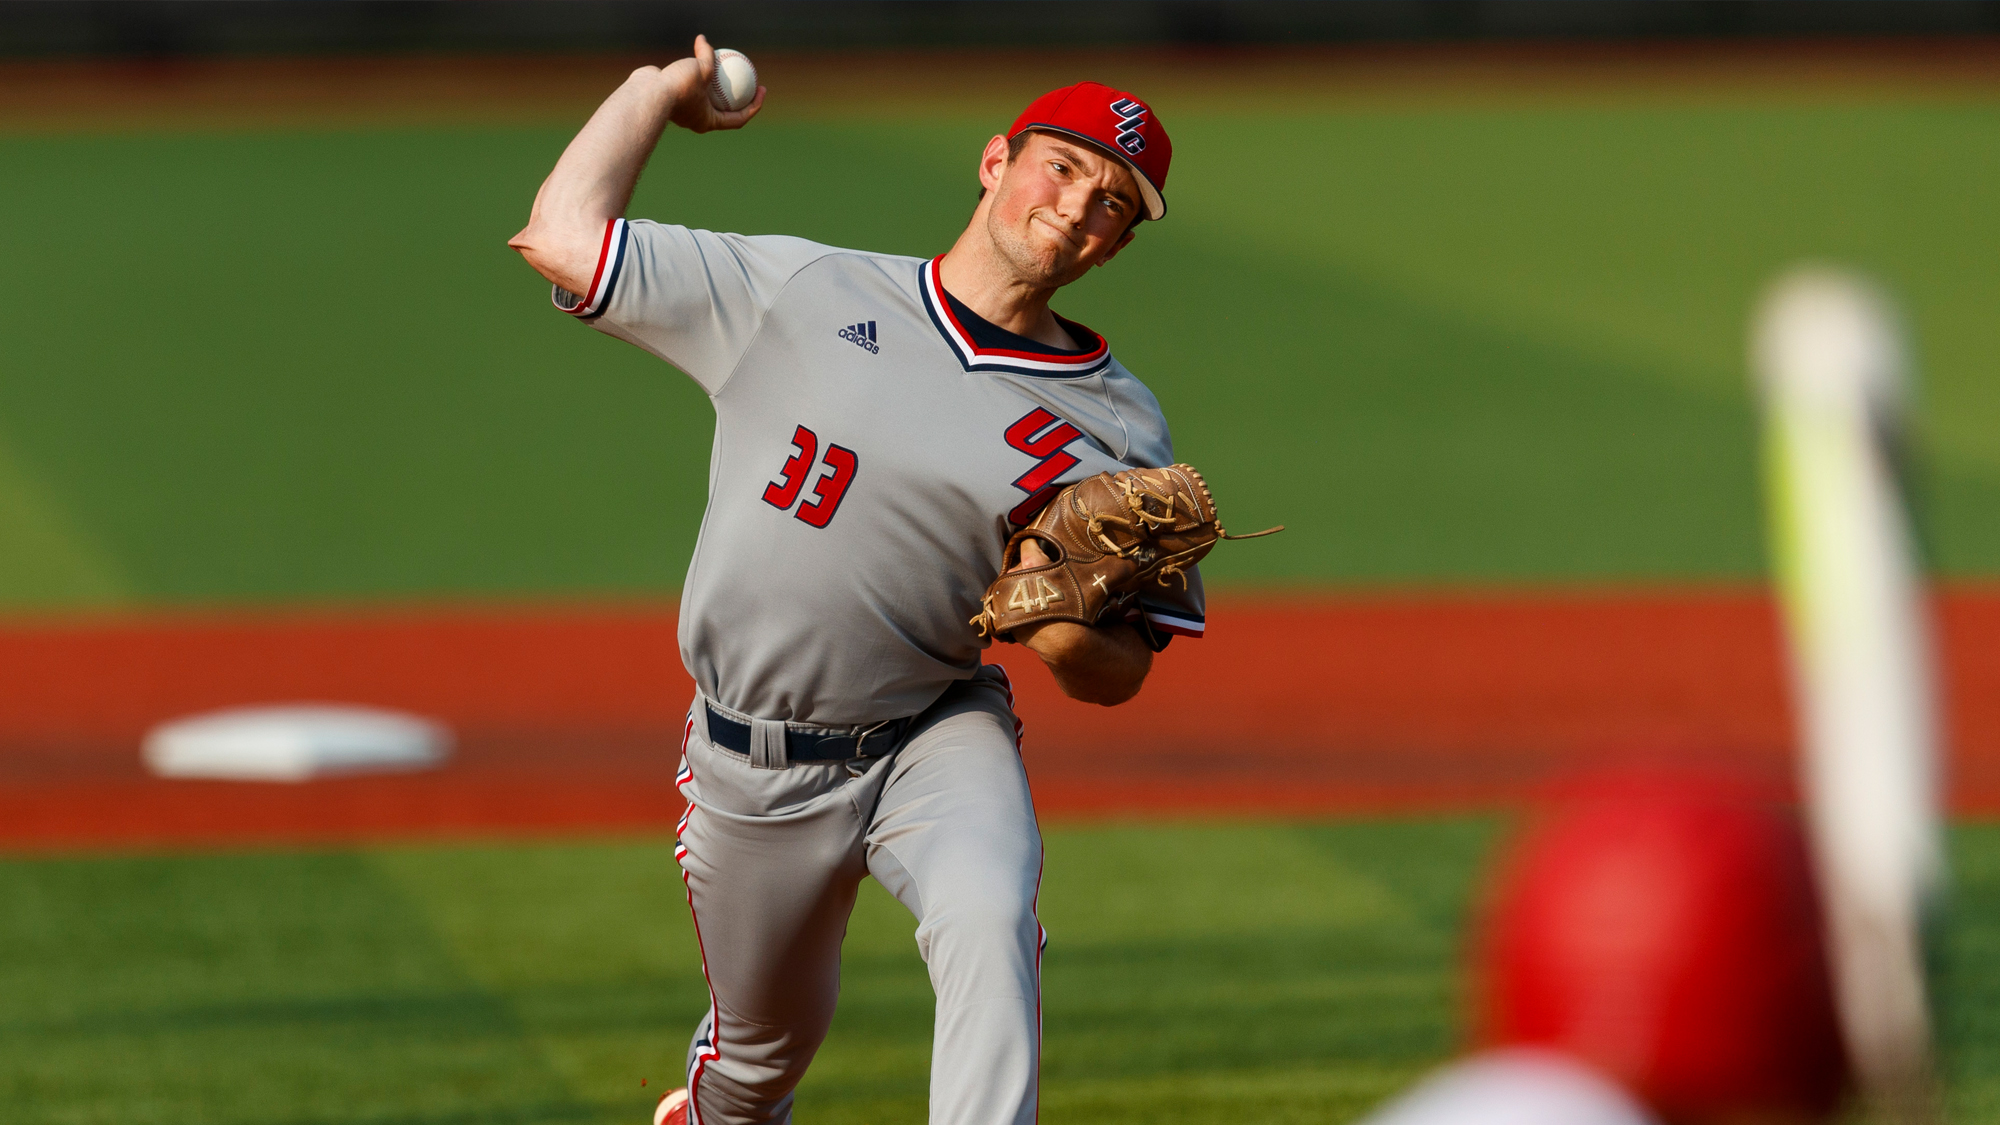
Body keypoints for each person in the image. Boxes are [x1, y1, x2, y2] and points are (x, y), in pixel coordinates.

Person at [509, 36, 1199, 1125]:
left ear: (1118, 244)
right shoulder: (806, 289)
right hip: (752, 760)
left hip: (935, 727)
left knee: (988, 918)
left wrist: (1065, 636)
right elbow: (558, 238)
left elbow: (1118, 675)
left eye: (1113, 201)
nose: (1077, 207)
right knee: (752, 1070)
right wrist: (654, 95)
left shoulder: (1116, 423)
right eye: (1060, 168)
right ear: (994, 164)